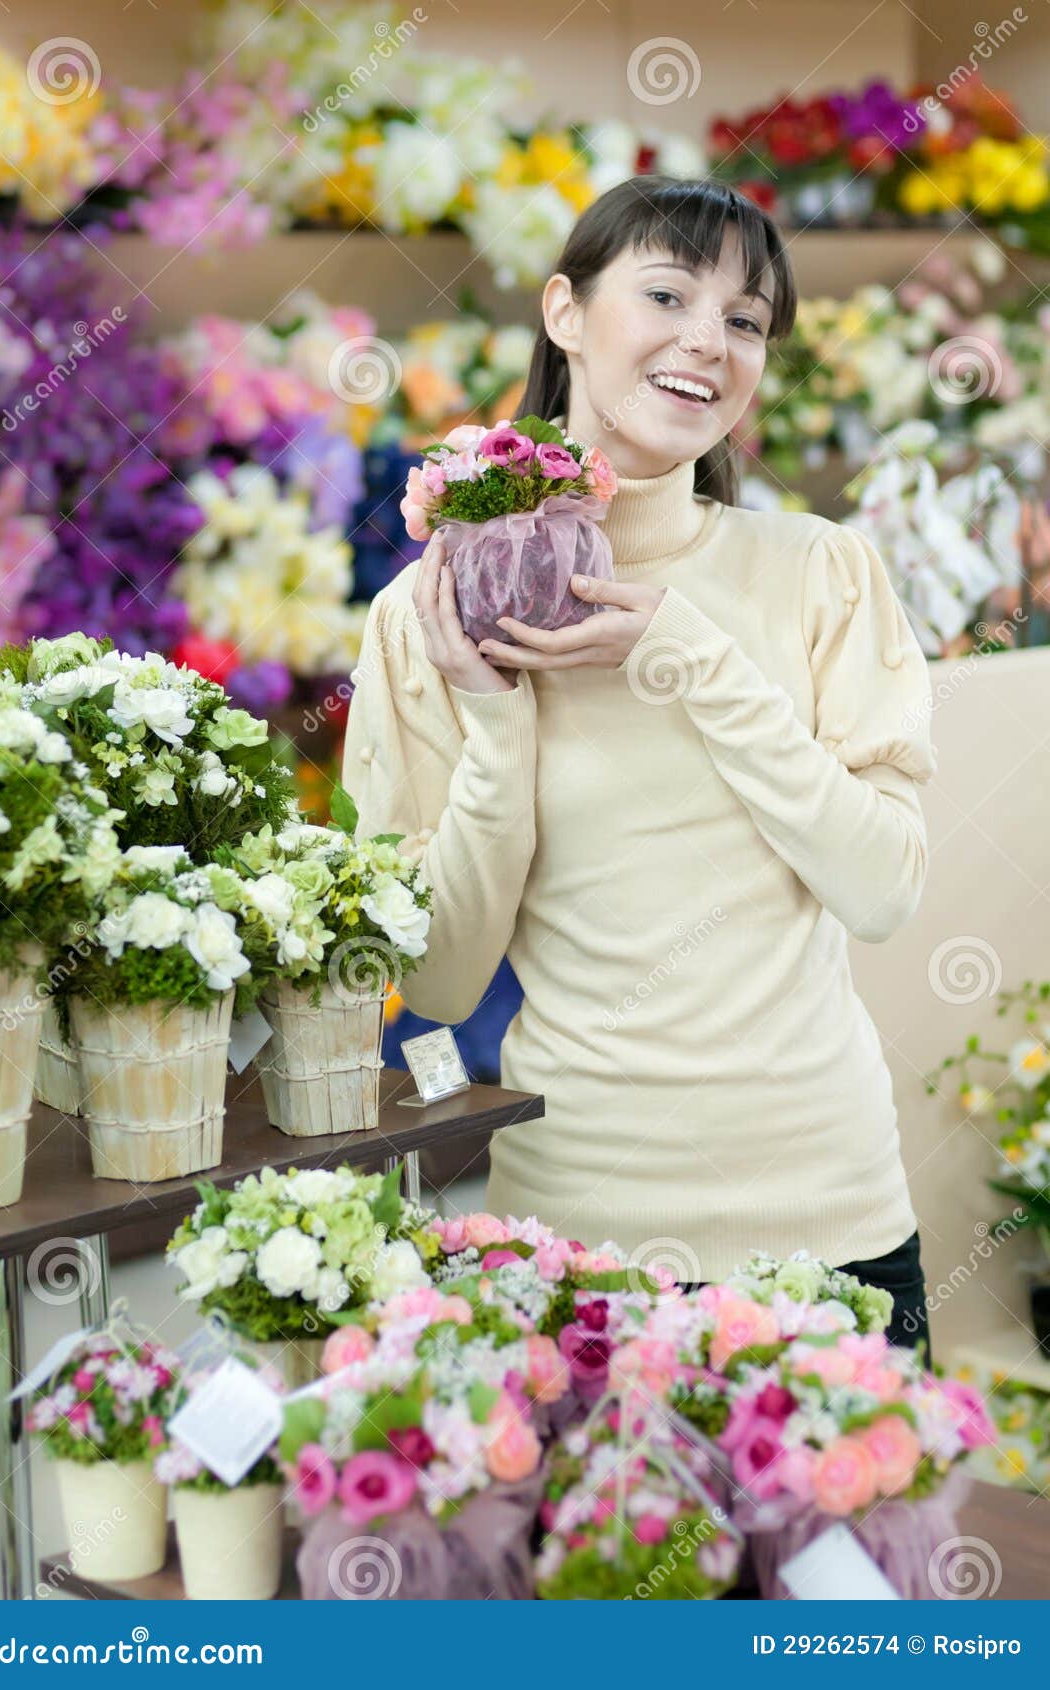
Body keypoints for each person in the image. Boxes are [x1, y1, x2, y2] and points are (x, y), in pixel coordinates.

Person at [341, 175, 937, 1358]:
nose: (709, 341)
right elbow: (443, 981)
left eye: (746, 319)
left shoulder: (821, 570)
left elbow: (882, 889)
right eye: (667, 295)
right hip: (577, 1238)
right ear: (564, 311)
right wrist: (496, 720)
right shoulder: (434, 613)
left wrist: (687, 654)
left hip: (833, 1229)